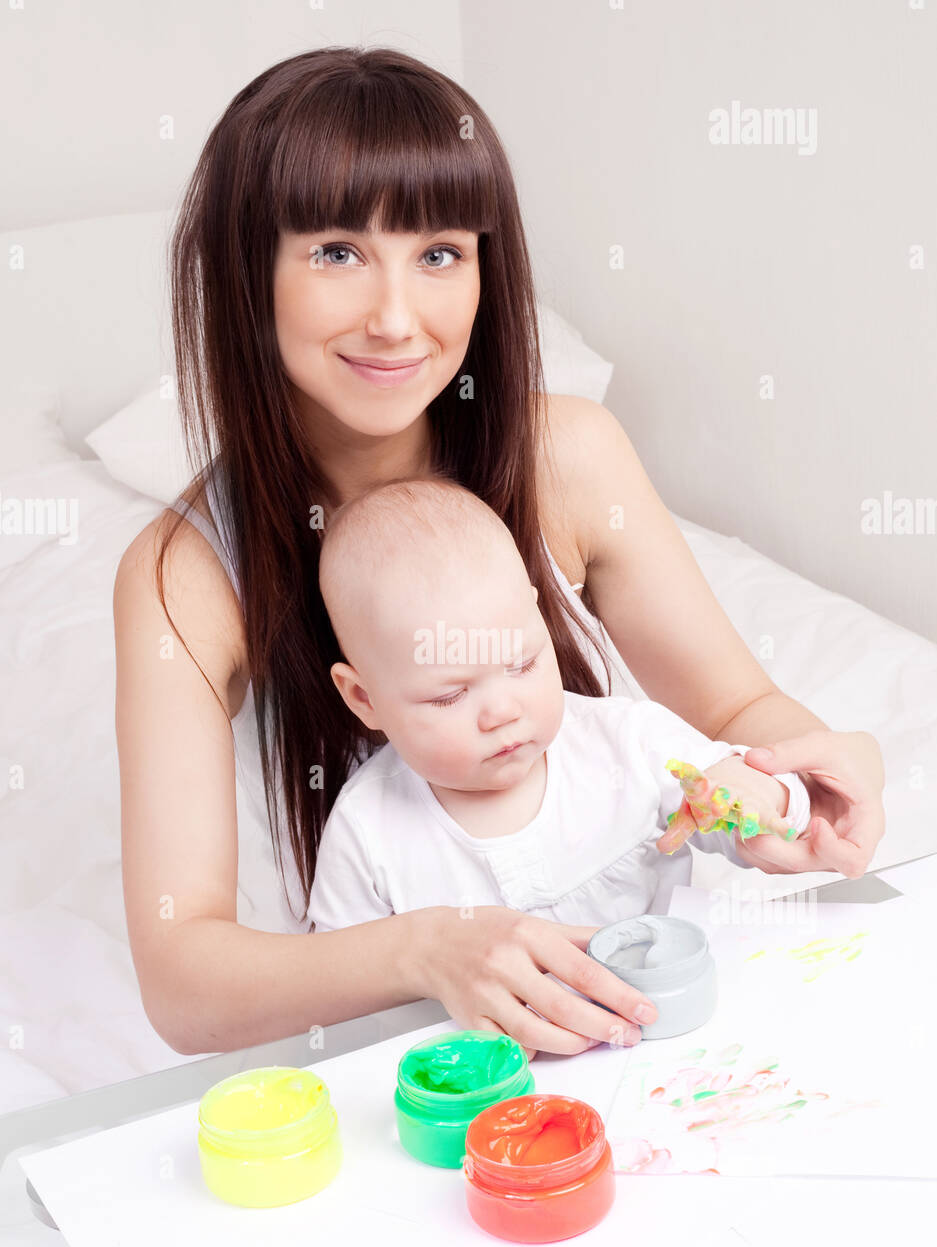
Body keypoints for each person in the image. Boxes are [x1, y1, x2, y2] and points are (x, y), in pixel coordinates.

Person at [113, 46, 885, 1060]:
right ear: (247, 274)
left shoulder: (570, 455)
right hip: (416, 1035)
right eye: (337, 252)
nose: (397, 319)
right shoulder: (183, 577)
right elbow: (184, 977)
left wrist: (817, 775)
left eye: (439, 253)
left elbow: (737, 714)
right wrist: (432, 950)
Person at [307, 476, 813, 985]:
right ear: (363, 698)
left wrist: (753, 794)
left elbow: (767, 807)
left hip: (663, 1017)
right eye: (449, 696)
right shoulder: (366, 832)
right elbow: (339, 986)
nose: (501, 711)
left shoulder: (627, 743)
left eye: (522, 664)